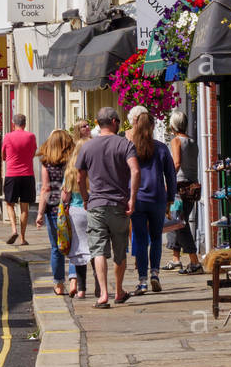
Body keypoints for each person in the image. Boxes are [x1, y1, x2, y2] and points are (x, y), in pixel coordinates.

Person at [76, 105, 140, 308]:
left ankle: (103, 294)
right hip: (119, 204)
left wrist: (86, 198)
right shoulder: (125, 144)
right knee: (119, 249)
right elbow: (135, 171)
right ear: (114, 122)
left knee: (98, 250)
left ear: (97, 123)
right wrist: (132, 198)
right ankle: (119, 291)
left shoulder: (87, 147)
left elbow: (79, 177)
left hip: (96, 205)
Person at [128, 110, 177, 295]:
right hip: (157, 199)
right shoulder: (161, 148)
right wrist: (171, 198)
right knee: (156, 238)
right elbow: (171, 176)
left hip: (137, 199)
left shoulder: (130, 147)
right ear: (154, 126)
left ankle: (142, 281)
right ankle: (155, 273)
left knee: (140, 240)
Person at [35, 128, 74, 295]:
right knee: (75, 247)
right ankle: (74, 280)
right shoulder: (72, 161)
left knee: (56, 248)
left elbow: (45, 188)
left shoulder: (46, 163)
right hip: (71, 207)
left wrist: (39, 213)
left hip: (53, 210)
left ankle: (58, 284)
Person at [165, 110, 203, 274]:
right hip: (191, 188)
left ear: (173, 125)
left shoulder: (176, 141)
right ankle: (176, 258)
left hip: (179, 188)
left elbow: (177, 163)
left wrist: (167, 180)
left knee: (178, 224)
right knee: (179, 221)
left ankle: (194, 262)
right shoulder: (193, 142)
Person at [1, 112, 38, 245]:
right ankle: (22, 238)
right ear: (25, 123)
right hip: (27, 175)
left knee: (9, 203)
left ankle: (13, 229)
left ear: (13, 123)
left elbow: (3, 156)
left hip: (12, 174)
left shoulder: (8, 137)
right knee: (24, 207)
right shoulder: (31, 136)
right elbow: (33, 153)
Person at [61, 143, 91, 299]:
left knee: (79, 251)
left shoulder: (70, 171)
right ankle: (100, 289)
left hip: (76, 212)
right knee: (96, 250)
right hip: (93, 209)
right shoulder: (93, 166)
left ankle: (82, 290)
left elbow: (65, 196)